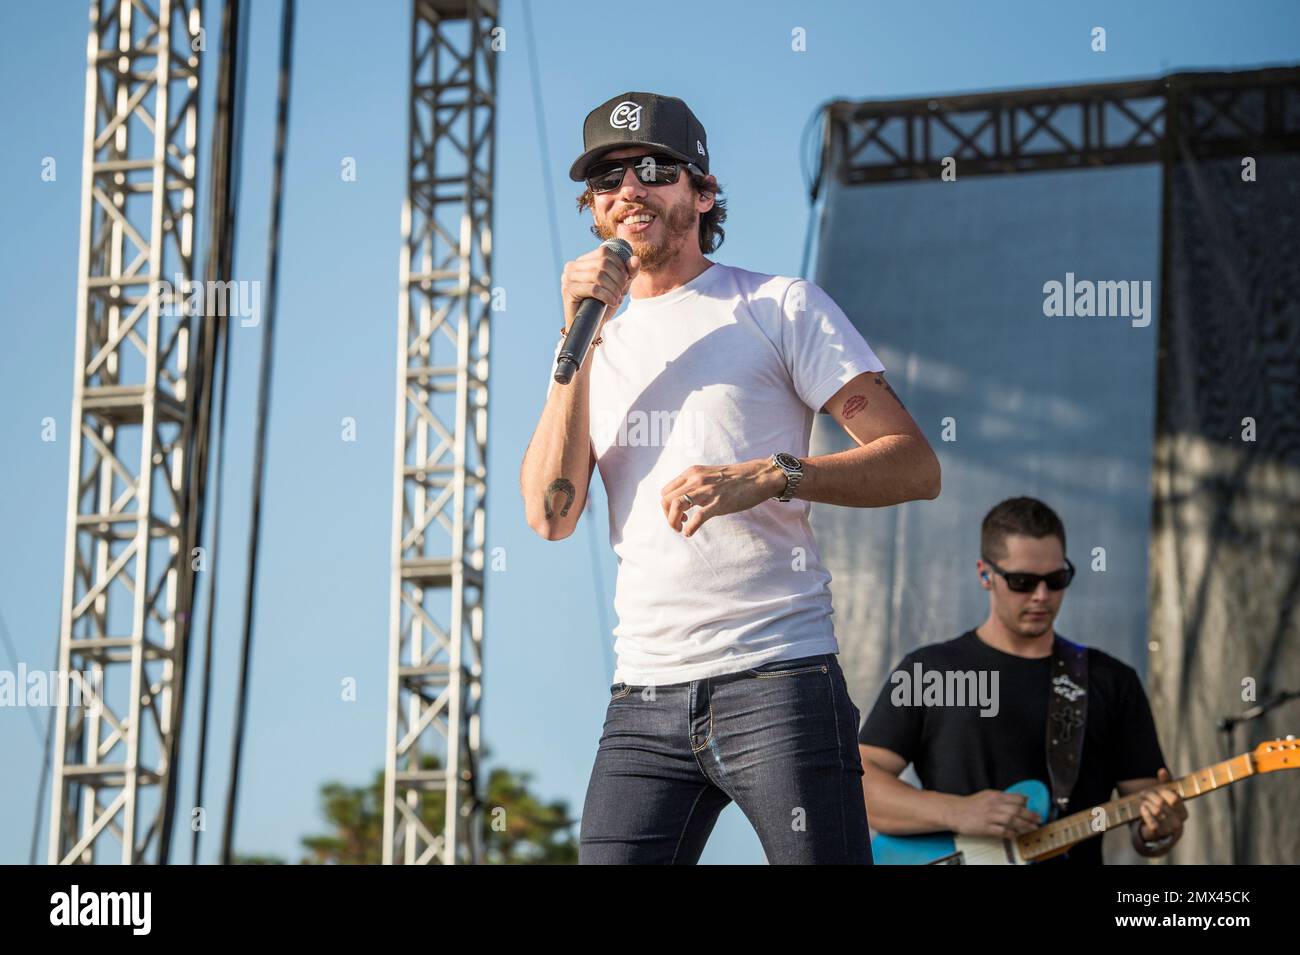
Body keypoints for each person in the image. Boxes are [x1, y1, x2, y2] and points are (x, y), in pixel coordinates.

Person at [520, 90, 941, 864]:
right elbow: (550, 513)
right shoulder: (589, 344)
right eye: (607, 180)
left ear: (702, 192)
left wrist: (773, 475)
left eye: (652, 168)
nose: (629, 191)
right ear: (592, 211)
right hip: (643, 697)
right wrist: (572, 338)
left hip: (777, 677)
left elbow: (914, 464)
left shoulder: (777, 306)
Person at [858, 496, 1187, 864]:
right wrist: (958, 812)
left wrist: (1161, 828)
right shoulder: (930, 671)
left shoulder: (1111, 681)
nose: (1041, 596)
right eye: (1022, 582)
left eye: (1056, 579)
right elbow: (861, 782)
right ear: (985, 574)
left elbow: (1146, 818)